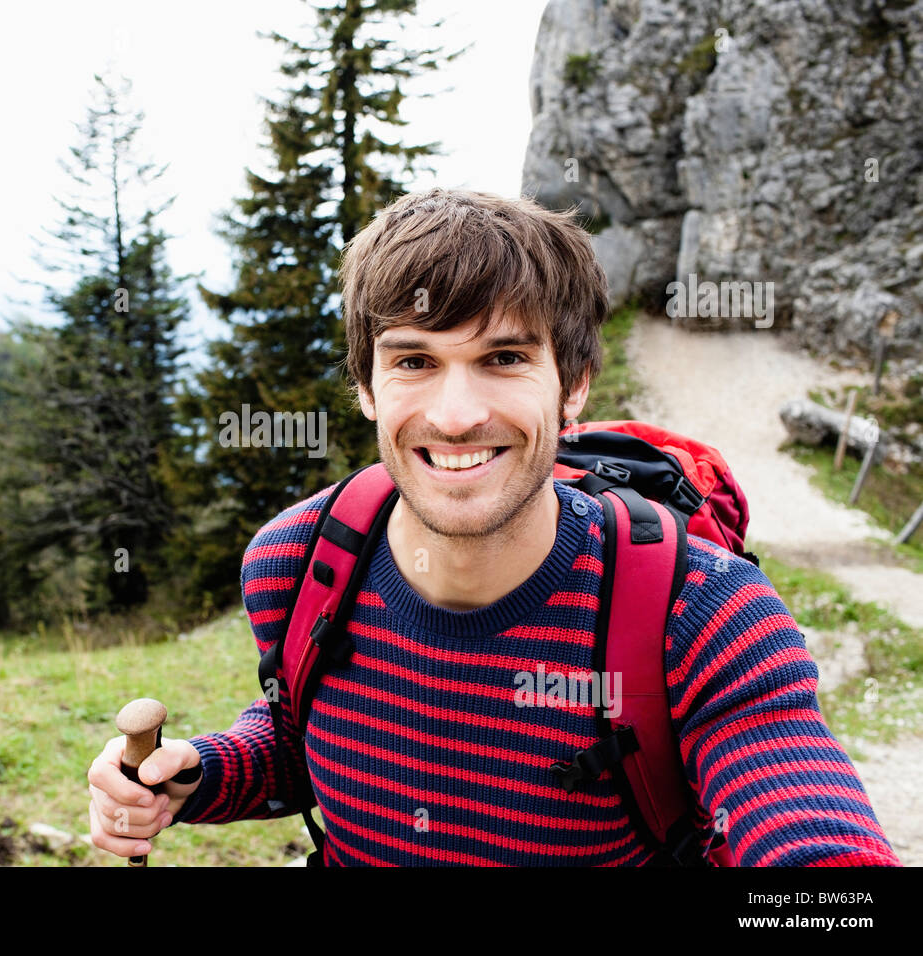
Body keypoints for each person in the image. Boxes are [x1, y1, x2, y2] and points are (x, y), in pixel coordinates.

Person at [86, 188, 901, 866]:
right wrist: (198, 774)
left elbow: (814, 841)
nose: (457, 413)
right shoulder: (298, 562)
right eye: (414, 361)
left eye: (505, 358)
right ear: (367, 387)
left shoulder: (702, 612)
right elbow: (310, 744)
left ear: (572, 385)